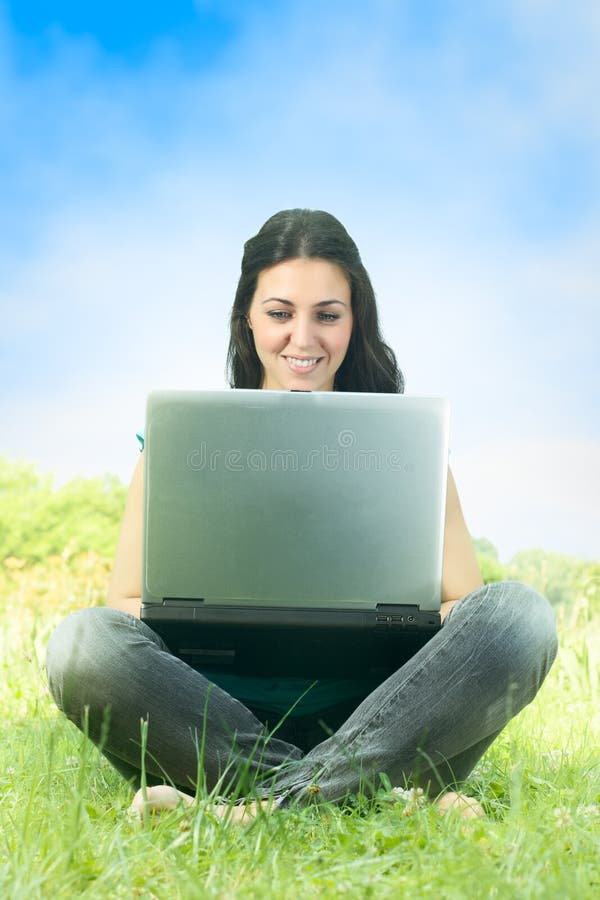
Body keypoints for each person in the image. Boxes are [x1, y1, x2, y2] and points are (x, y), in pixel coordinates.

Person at [46, 209, 558, 822]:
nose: (303, 338)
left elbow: (468, 616)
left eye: (327, 315)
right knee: (81, 644)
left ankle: (260, 807)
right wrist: (232, 609)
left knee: (519, 617)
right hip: (212, 725)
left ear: (354, 322)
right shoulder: (176, 443)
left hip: (389, 719)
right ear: (248, 321)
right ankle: (354, 796)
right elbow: (124, 605)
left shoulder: (412, 451)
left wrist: (389, 617)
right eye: (280, 313)